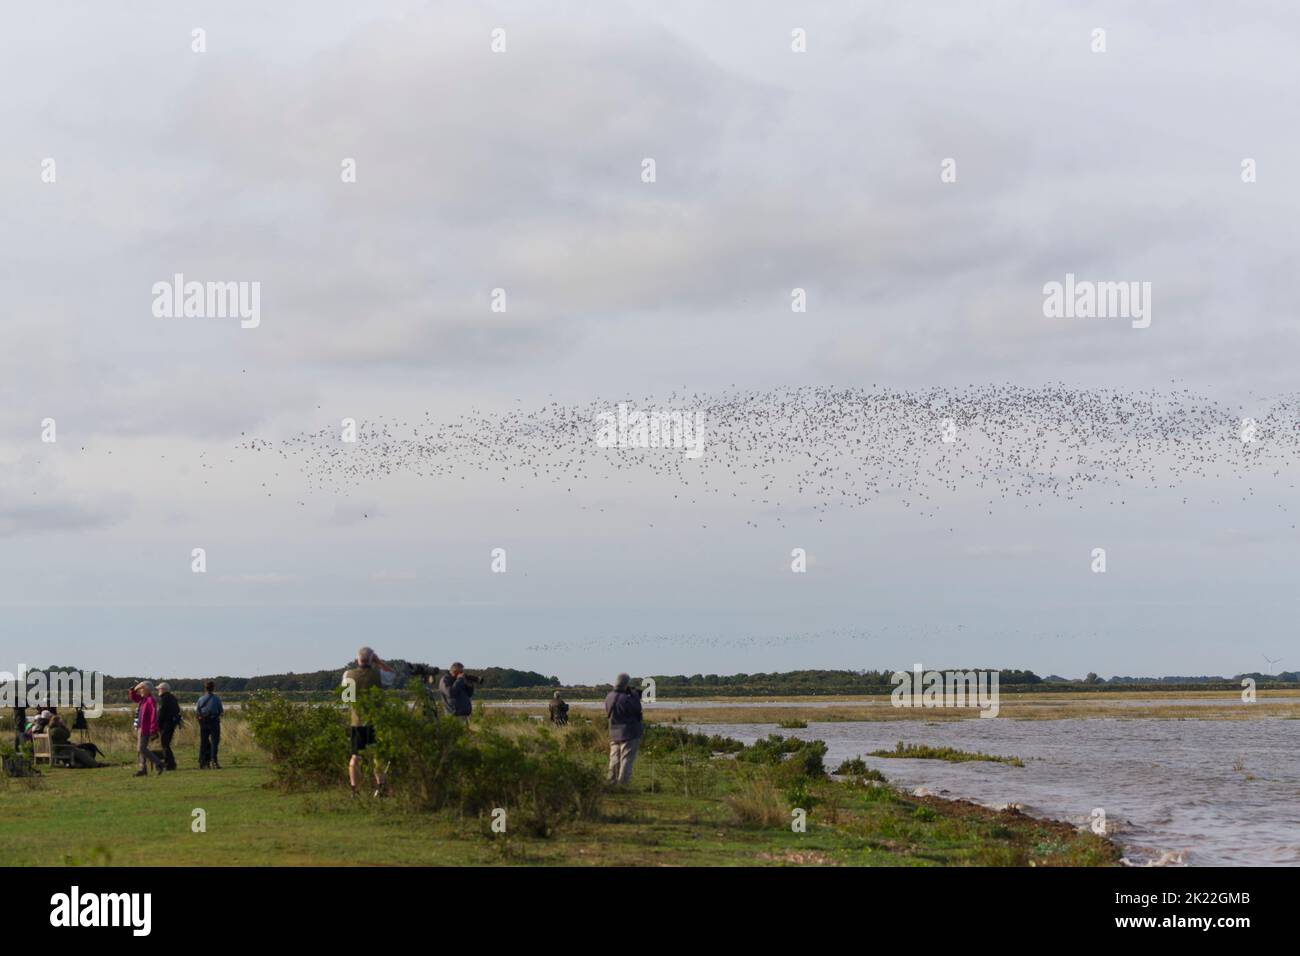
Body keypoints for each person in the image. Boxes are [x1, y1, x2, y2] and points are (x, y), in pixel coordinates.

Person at [342, 646, 389, 798]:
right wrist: (379, 662)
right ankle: (380, 787)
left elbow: (346, 698)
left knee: (355, 757)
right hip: (375, 721)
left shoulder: (348, 674)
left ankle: (354, 790)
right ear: (371, 659)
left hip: (357, 722)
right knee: (377, 755)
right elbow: (393, 675)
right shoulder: (379, 674)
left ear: (357, 659)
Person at [604, 673, 643, 786]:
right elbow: (637, 709)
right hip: (629, 733)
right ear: (626, 684)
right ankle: (623, 784)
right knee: (626, 759)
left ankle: (611, 781)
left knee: (614, 758)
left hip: (614, 732)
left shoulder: (609, 696)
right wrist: (634, 695)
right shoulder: (627, 698)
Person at [128, 682, 165, 777]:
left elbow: (153, 715)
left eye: (142, 689)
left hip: (146, 728)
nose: (140, 691)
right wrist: (134, 689)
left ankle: (159, 763)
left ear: (147, 690)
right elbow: (134, 697)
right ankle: (142, 769)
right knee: (140, 749)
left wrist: (153, 728)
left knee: (142, 748)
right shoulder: (143, 699)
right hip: (141, 727)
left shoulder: (150, 700)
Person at [196, 681, 224, 769]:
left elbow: (197, 711)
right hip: (214, 721)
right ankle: (214, 761)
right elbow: (220, 711)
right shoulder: (216, 699)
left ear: (205, 688)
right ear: (213, 688)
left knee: (203, 743)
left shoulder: (201, 699)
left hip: (203, 722)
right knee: (214, 742)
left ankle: (202, 762)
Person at [156, 683, 181, 771]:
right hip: (172, 724)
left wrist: (157, 724)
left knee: (165, 744)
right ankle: (170, 763)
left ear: (163, 689)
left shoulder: (164, 699)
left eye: (159, 689)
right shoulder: (172, 698)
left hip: (165, 725)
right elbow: (178, 710)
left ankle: (170, 764)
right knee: (166, 744)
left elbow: (161, 713)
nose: (158, 691)